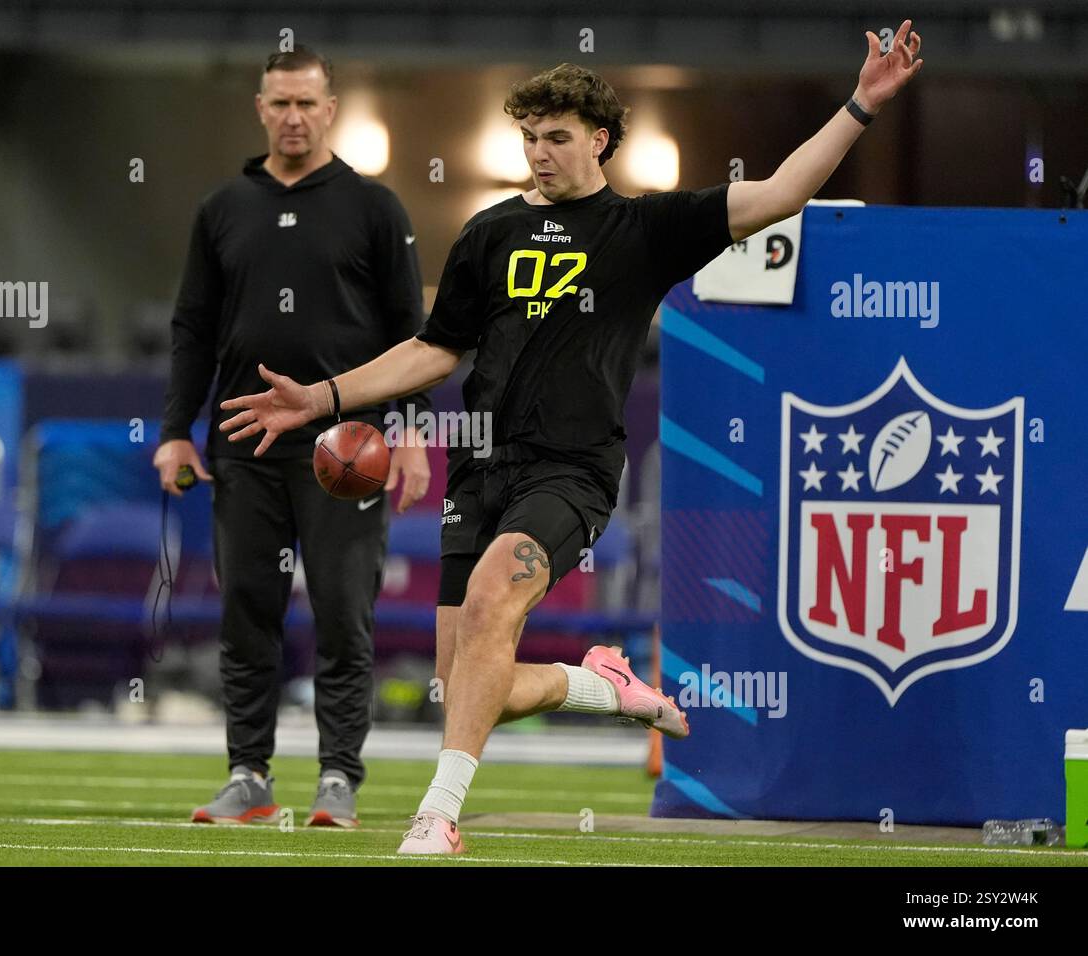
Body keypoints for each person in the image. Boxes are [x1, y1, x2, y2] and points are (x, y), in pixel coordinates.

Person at [217, 23, 924, 853]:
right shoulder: (488, 231)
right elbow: (435, 349)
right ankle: (600, 686)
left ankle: (438, 816)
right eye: (529, 137)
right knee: (463, 683)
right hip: (479, 470)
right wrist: (323, 399)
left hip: (571, 471)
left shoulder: (645, 229)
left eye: (556, 137)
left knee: (489, 604)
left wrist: (860, 105)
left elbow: (777, 195)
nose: (539, 152)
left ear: (600, 139)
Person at [153, 45, 433, 829]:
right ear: (260, 107)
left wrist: (410, 431)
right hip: (244, 443)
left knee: (345, 612)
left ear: (331, 108)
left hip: (347, 446)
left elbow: (413, 334)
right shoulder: (222, 209)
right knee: (247, 609)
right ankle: (249, 775)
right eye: (280, 103)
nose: (294, 117)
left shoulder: (376, 210)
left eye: (307, 103)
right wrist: (177, 431)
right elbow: (192, 330)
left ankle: (338, 777)